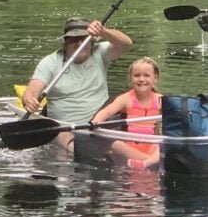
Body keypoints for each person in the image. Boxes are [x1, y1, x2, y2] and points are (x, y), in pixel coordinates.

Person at [21, 17, 134, 153]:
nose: (80, 43)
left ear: (92, 41)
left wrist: (103, 31)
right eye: (74, 39)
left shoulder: (100, 53)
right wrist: (30, 101)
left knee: (119, 147)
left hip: (100, 124)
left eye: (84, 38)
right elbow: (31, 93)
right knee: (75, 149)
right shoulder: (50, 62)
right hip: (65, 128)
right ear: (65, 42)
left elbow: (126, 44)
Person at [90, 57, 162, 170]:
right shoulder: (125, 99)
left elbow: (176, 118)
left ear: (155, 78)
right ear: (130, 78)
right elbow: (107, 111)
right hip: (130, 145)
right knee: (116, 144)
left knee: (164, 145)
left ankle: (145, 163)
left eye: (146, 75)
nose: (141, 79)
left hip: (152, 145)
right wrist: (95, 122)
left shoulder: (160, 100)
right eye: (137, 75)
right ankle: (152, 162)